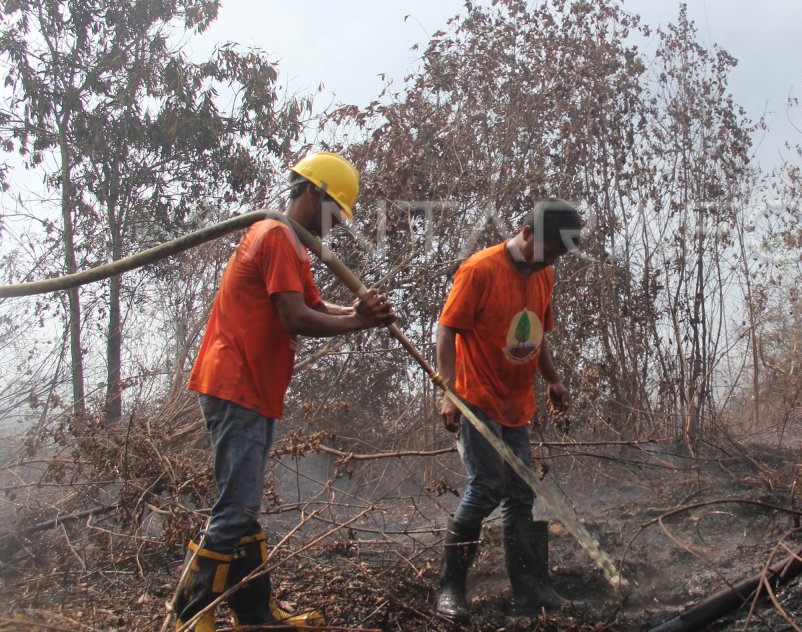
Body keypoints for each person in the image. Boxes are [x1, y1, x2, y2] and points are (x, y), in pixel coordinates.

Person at [173, 152, 397, 631]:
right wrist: (360, 321)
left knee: (245, 507)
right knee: (235, 508)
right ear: (314, 193)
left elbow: (315, 304)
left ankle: (255, 615)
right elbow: (295, 318)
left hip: (252, 388)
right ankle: (187, 619)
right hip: (237, 384)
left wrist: (363, 312)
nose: (336, 224)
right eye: (335, 211)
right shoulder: (275, 235)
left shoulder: (293, 245)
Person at [433, 199, 584, 624]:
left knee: (521, 494)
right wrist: (449, 392)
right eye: (550, 252)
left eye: (558, 257)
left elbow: (536, 333)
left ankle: (529, 589)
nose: (551, 263)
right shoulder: (480, 270)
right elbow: (448, 330)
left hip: (517, 403)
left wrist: (553, 380)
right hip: (477, 398)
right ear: (530, 233)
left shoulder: (544, 275)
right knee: (486, 487)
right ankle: (449, 590)